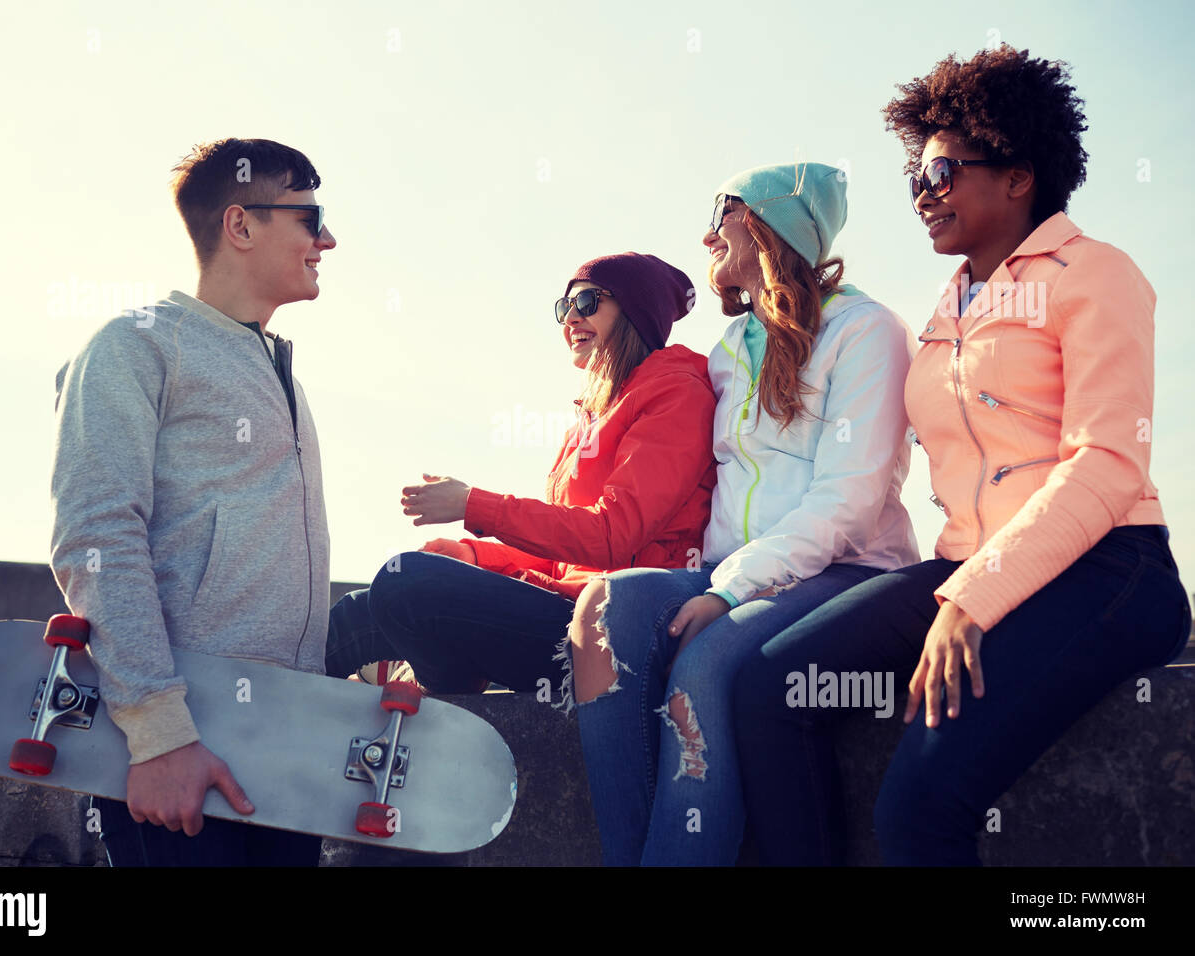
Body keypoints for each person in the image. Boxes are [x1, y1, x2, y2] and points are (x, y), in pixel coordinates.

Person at [731, 45, 1191, 866]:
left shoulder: (1096, 274)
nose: (922, 193)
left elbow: (1108, 462)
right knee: (769, 685)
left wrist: (974, 601)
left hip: (1106, 570)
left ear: (1017, 175)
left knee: (917, 814)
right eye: (917, 176)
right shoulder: (946, 310)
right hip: (965, 571)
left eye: (942, 173)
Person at [567, 163, 920, 866]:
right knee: (603, 613)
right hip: (732, 571)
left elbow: (848, 502)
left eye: (722, 211)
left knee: (702, 664)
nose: (707, 232)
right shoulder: (730, 353)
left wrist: (732, 591)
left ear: (767, 223)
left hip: (841, 569)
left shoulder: (866, 331)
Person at [49, 138, 336, 866]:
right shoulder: (132, 346)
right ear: (240, 225)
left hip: (279, 760)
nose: (327, 239)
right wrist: (159, 733)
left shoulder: (284, 377)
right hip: (177, 757)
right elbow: (96, 533)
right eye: (310, 218)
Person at [324, 253, 716, 698]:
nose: (570, 318)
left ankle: (441, 679)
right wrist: (472, 556)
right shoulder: (590, 416)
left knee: (407, 584)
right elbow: (558, 559)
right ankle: (269, 724)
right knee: (360, 608)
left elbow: (613, 534)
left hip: (615, 628)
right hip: (566, 603)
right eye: (563, 307)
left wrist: (474, 504)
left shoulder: (677, 393)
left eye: (587, 301)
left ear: (635, 311)